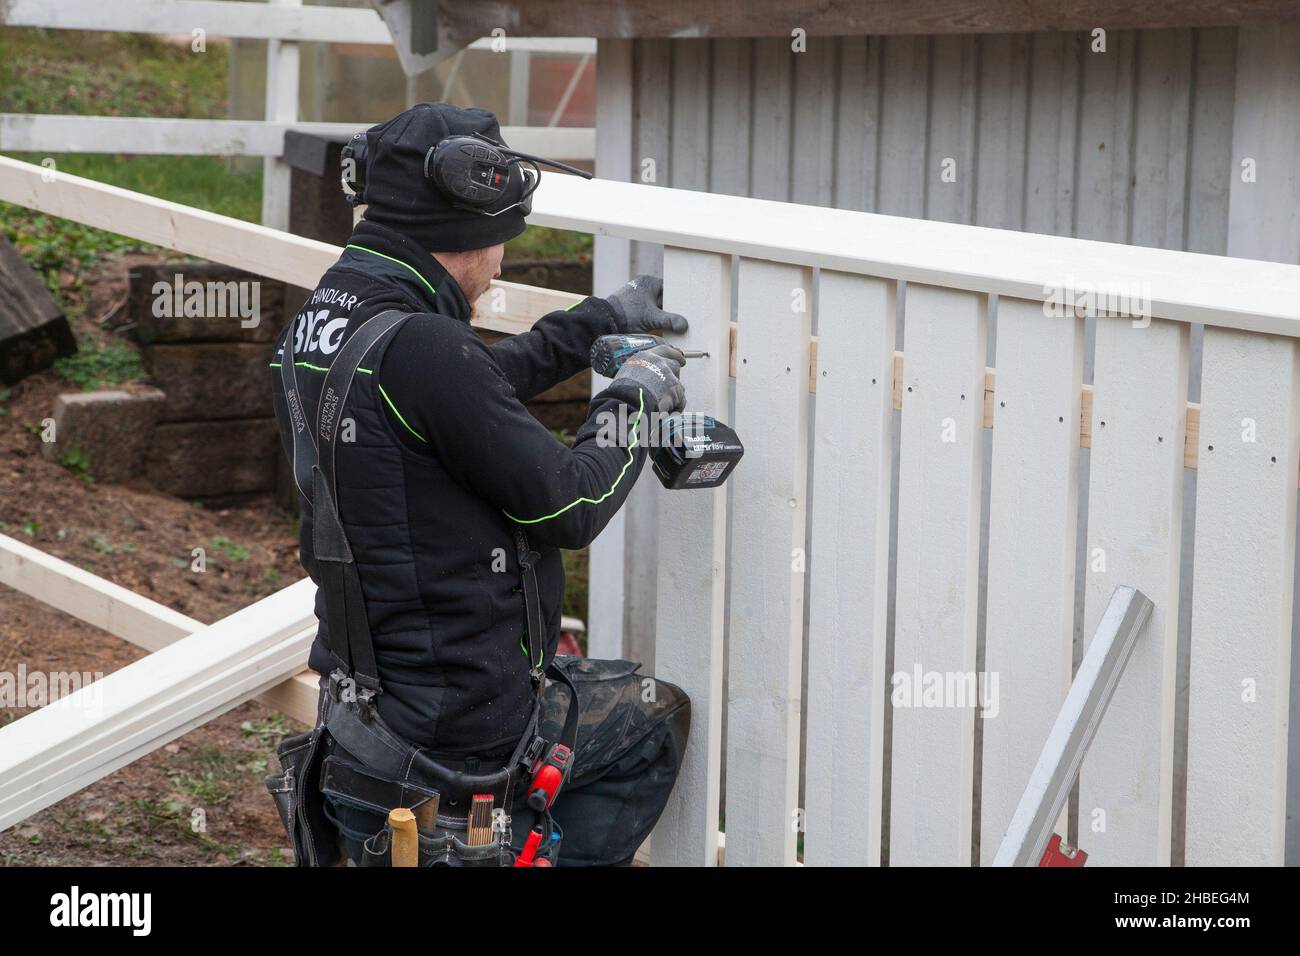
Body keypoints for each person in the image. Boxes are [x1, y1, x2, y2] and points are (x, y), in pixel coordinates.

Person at [267, 102, 691, 867]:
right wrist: (637, 399)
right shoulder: (427, 348)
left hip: (364, 720)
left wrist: (591, 324)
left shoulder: (328, 318)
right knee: (649, 722)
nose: (501, 263)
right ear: (468, 234)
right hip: (460, 730)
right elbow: (572, 502)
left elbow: (463, 394)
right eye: (504, 239)